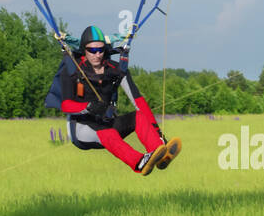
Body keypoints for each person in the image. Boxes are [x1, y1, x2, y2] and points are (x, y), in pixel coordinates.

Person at [57, 25, 180, 175]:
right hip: (82, 131)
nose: (97, 54)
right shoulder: (72, 70)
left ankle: (159, 152)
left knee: (138, 117)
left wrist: (159, 135)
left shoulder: (115, 70)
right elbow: (66, 105)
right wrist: (88, 106)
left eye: (100, 50)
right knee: (107, 133)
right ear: (84, 51)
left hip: (108, 124)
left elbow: (139, 102)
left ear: (106, 51)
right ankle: (140, 162)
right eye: (92, 50)